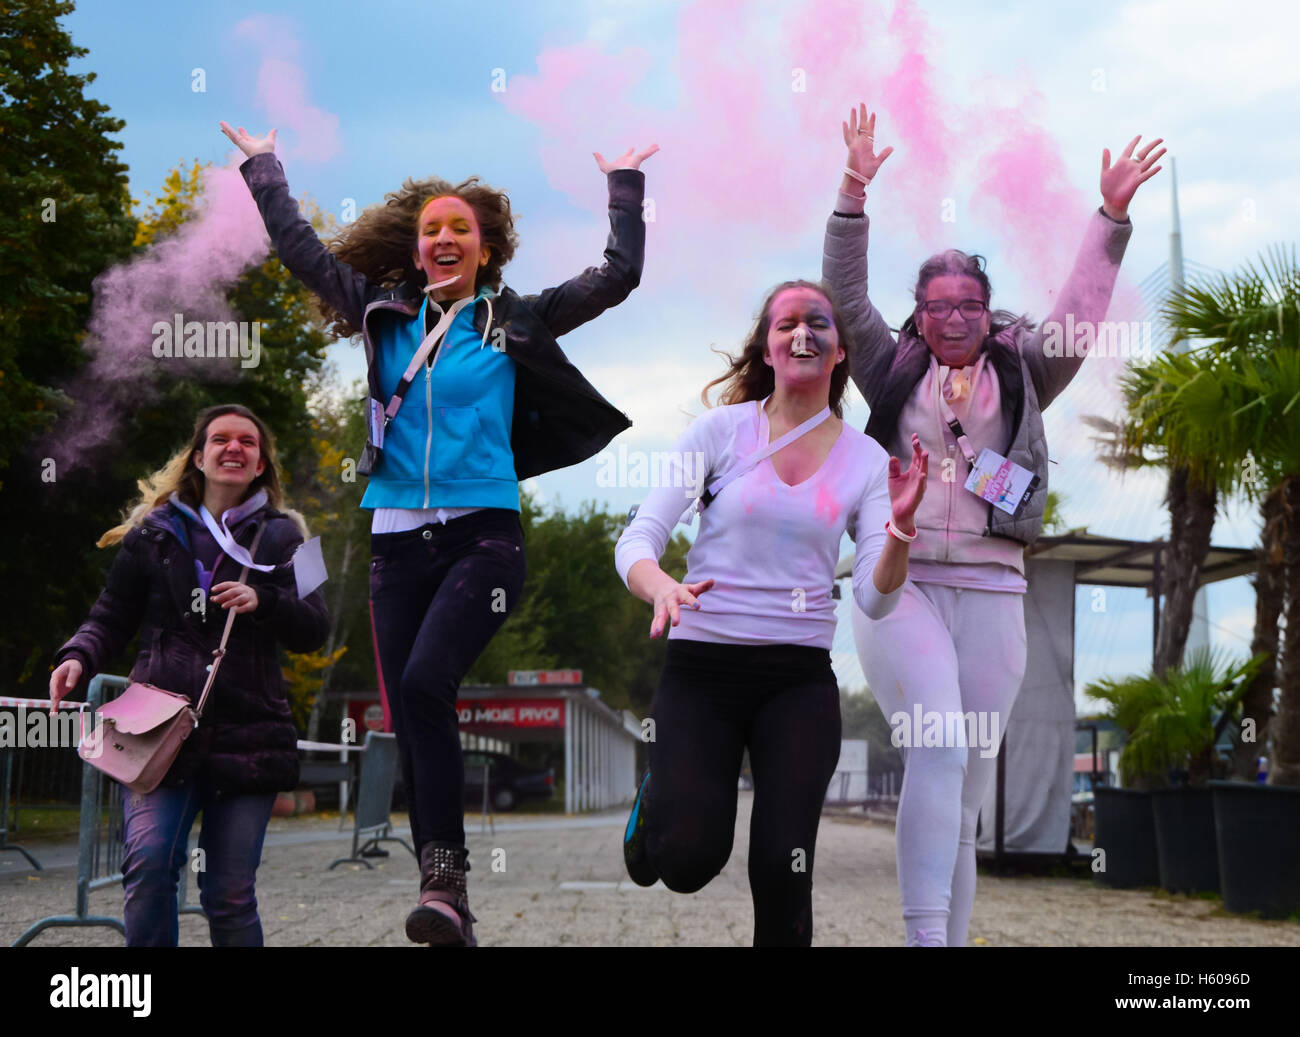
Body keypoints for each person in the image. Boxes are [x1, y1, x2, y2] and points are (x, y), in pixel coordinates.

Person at [220, 121, 656, 946]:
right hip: (394, 540)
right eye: (432, 231)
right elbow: (304, 254)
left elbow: (618, 276)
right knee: (411, 709)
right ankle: (446, 900)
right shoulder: (382, 314)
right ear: (417, 252)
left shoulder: (512, 318)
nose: (445, 238)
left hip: (483, 535)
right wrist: (265, 169)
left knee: (425, 684)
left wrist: (625, 184)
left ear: (485, 251)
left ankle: (444, 877)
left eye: (462, 229)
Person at [823, 103, 1164, 946]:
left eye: (968, 303)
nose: (952, 319)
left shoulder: (1022, 368)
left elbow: (1080, 319)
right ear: (917, 315)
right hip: (902, 585)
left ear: (990, 308)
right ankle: (923, 940)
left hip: (994, 588)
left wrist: (1109, 218)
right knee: (938, 742)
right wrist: (854, 190)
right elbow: (842, 294)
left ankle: (947, 940)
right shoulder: (888, 363)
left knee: (963, 790)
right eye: (934, 305)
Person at [614, 280, 927, 946]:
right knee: (688, 860)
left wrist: (900, 530)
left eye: (819, 322)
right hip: (703, 669)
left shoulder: (868, 459)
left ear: (840, 350)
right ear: (767, 344)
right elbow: (636, 540)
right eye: (787, 323)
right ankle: (655, 809)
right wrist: (661, 585)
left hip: (798, 680)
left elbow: (875, 596)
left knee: (784, 868)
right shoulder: (721, 432)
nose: (803, 333)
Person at [49, 404, 330, 947]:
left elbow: (317, 625)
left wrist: (265, 599)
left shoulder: (296, 538)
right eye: (220, 439)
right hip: (159, 735)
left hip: (252, 736)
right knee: (149, 870)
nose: (234, 448)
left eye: (248, 442)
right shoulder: (150, 534)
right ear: (198, 457)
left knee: (228, 894)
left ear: (261, 464)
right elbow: (109, 615)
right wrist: (77, 656)